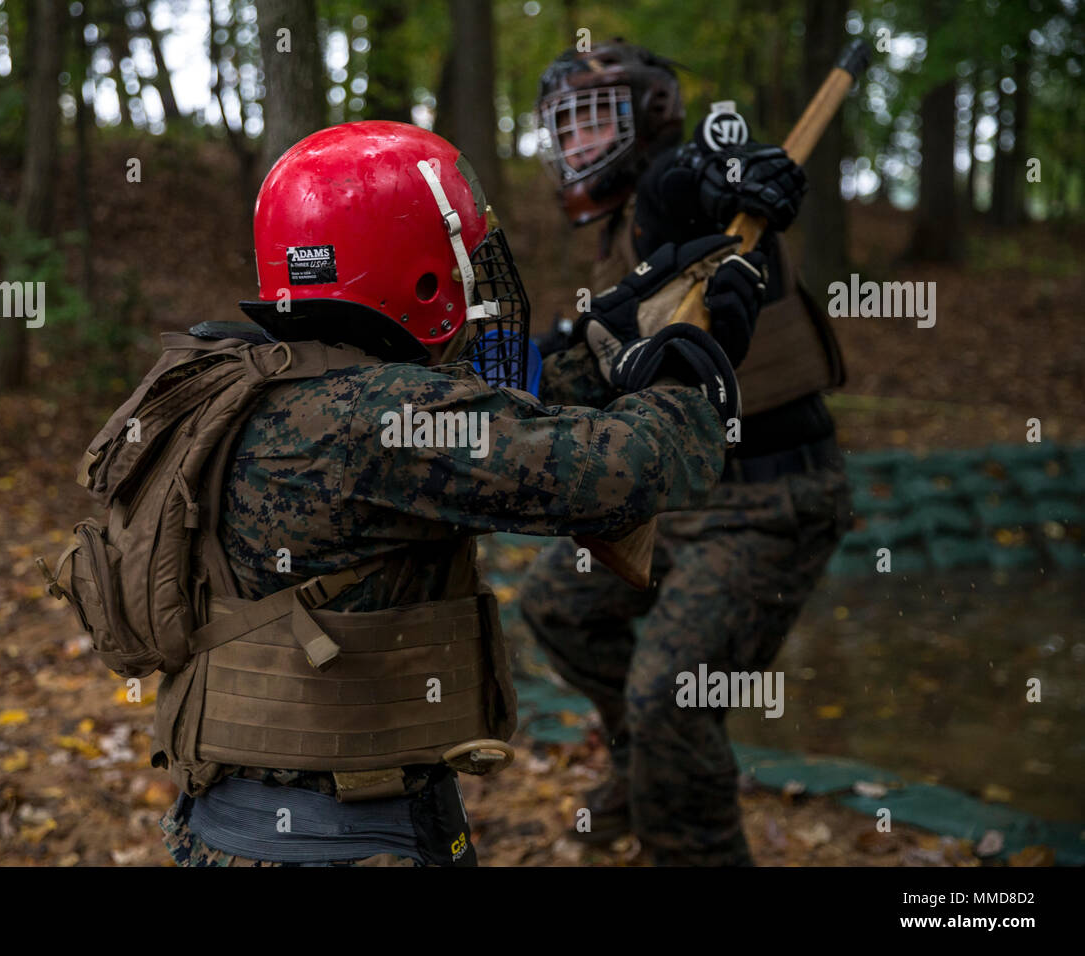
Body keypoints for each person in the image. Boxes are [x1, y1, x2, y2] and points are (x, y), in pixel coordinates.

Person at [127, 120, 768, 866]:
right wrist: (695, 371)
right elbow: (622, 472)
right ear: (419, 275)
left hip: (234, 826)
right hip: (347, 842)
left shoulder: (257, 378)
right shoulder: (383, 419)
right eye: (459, 262)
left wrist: (617, 319)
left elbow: (497, 415)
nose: (472, 283)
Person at [526, 42, 853, 865]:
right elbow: (608, 323)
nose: (580, 142)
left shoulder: (683, 190)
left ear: (653, 116)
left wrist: (726, 177)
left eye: (598, 118)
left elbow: (694, 184)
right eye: (567, 125)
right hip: (682, 499)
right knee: (556, 604)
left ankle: (698, 845)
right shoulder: (622, 230)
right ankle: (646, 770)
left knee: (672, 697)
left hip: (773, 505)